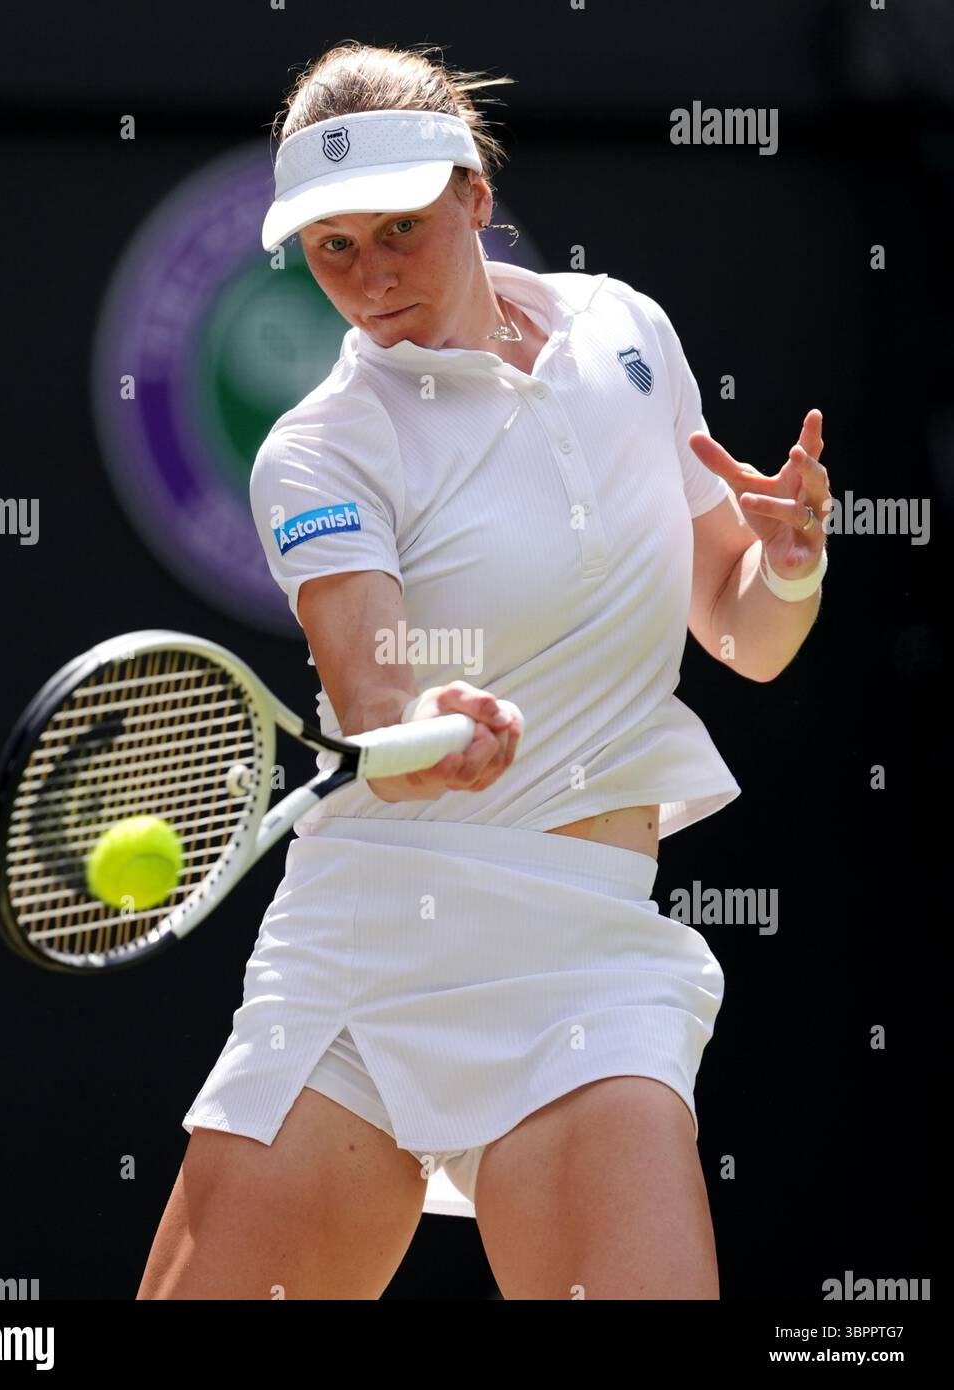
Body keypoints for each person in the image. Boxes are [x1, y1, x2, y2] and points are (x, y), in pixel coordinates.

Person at [137, 41, 830, 1301]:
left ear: (472, 190)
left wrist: (785, 565)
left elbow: (743, 633)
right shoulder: (318, 451)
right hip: (367, 957)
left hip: (589, 954)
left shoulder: (627, 334)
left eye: (398, 227)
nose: (369, 276)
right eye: (332, 248)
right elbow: (370, 690)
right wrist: (420, 722)